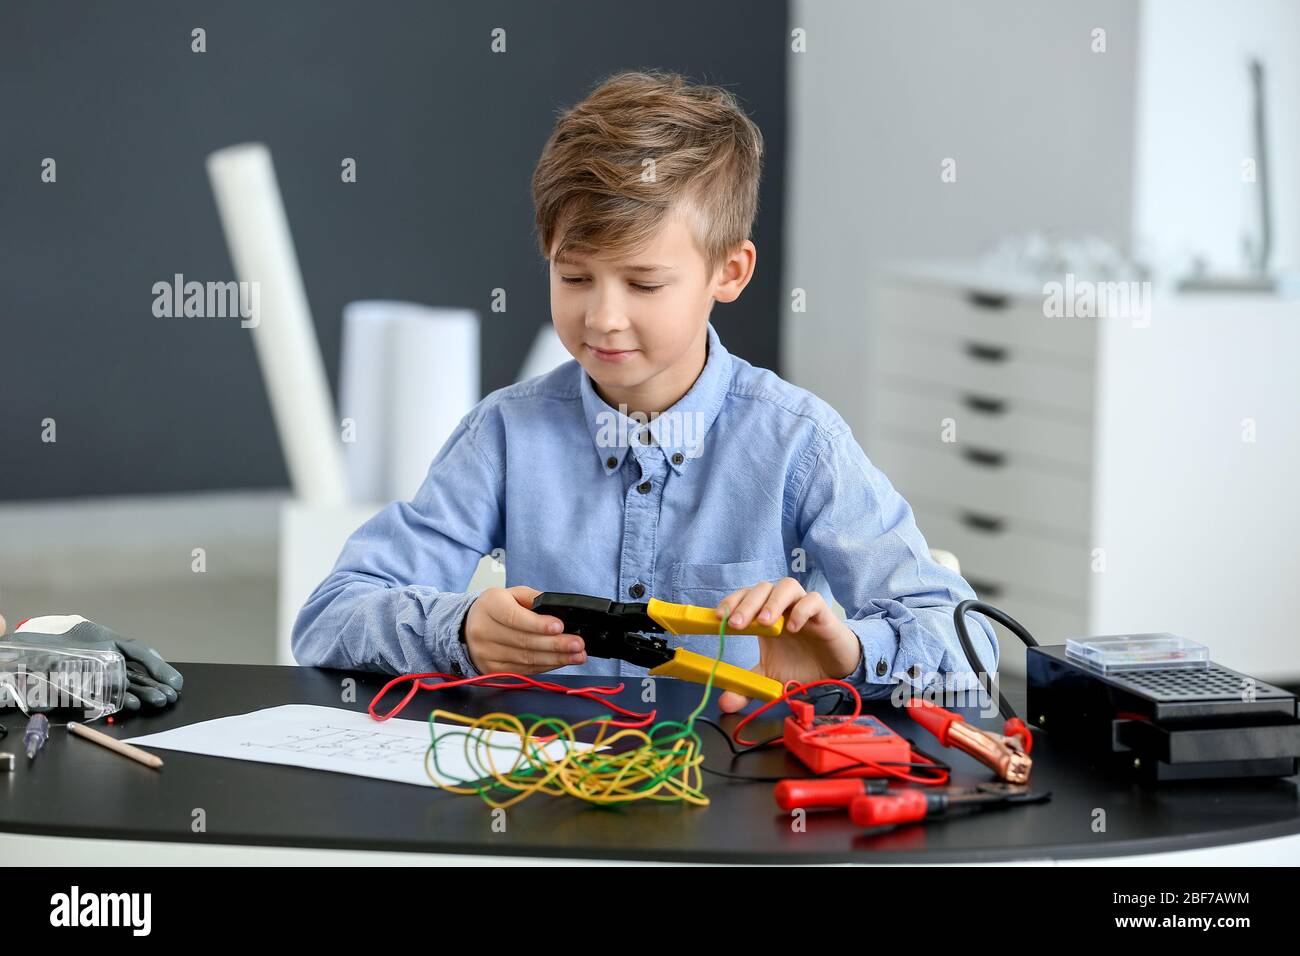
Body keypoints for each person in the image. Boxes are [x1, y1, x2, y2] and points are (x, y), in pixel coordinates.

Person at [292, 70, 997, 712]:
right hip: (546, 801)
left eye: (644, 283)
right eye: (573, 277)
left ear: (729, 271)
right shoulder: (505, 436)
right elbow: (330, 617)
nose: (600, 316)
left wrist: (850, 656)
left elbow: (972, 657)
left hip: (736, 818)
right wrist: (461, 628)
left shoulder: (798, 443)